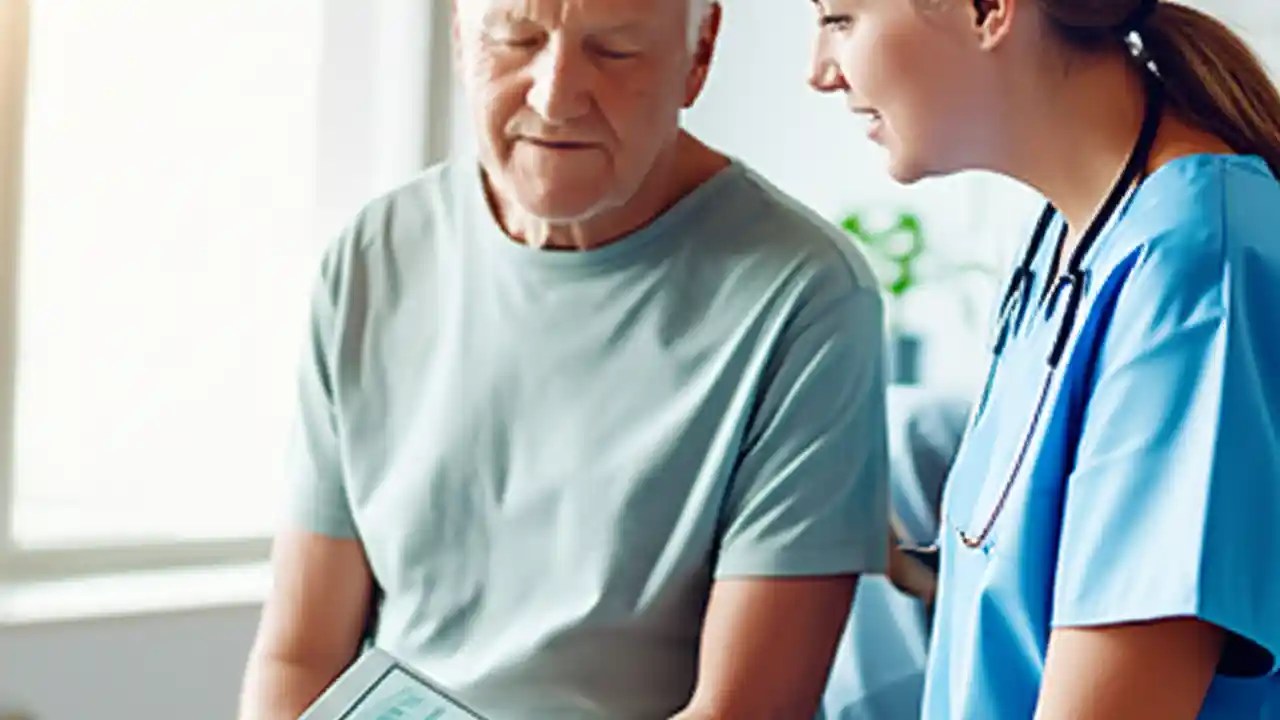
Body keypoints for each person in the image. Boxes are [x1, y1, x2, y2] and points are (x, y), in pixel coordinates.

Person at [238, 0, 891, 718]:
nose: (554, 97)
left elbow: (745, 711)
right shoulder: (372, 258)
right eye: (515, 40)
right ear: (461, 40)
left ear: (699, 56)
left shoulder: (806, 296)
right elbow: (301, 654)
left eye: (613, 51)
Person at [808, 0, 1280, 718]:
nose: (819, 72)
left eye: (840, 17)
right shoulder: (1069, 241)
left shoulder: (1197, 266)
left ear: (990, 10)